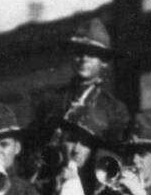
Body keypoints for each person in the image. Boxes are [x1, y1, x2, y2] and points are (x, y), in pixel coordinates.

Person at [30, 18, 129, 166]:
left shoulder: (115, 109)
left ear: (104, 62)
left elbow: (116, 155)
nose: (84, 58)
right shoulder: (50, 101)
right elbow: (34, 146)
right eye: (79, 52)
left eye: (92, 53)